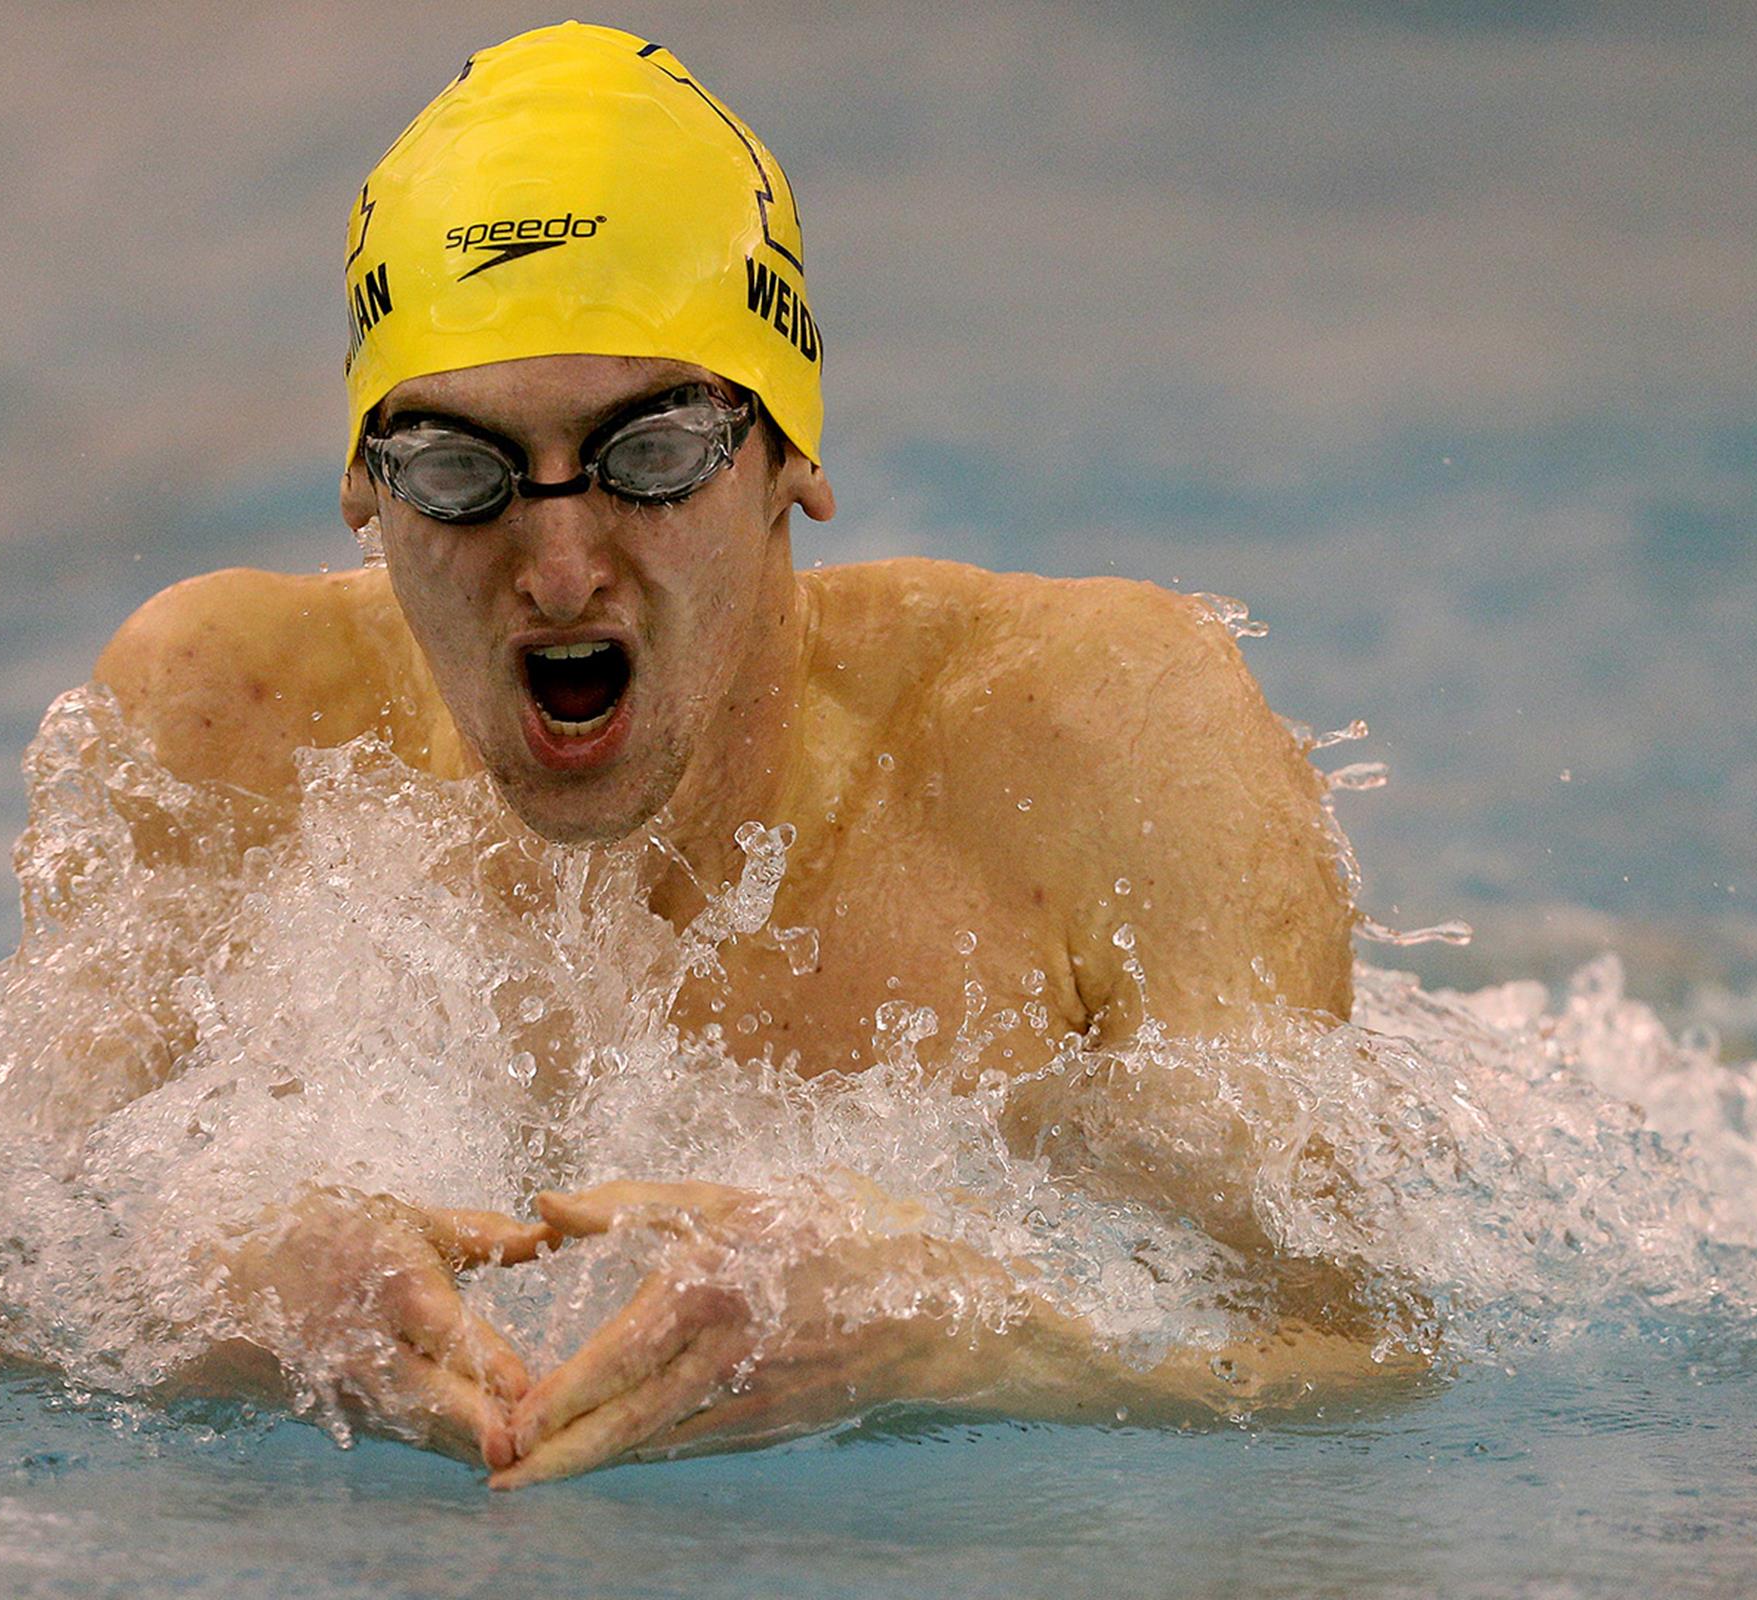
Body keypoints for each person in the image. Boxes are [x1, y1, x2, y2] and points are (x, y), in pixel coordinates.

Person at [86, 22, 1412, 1488]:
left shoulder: (1100, 737)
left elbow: (1364, 1358)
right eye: (461, 471)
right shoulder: (226, 725)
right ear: (362, 486)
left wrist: (960, 1344)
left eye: (650, 455)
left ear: (791, 456)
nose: (562, 564)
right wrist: (202, 1302)